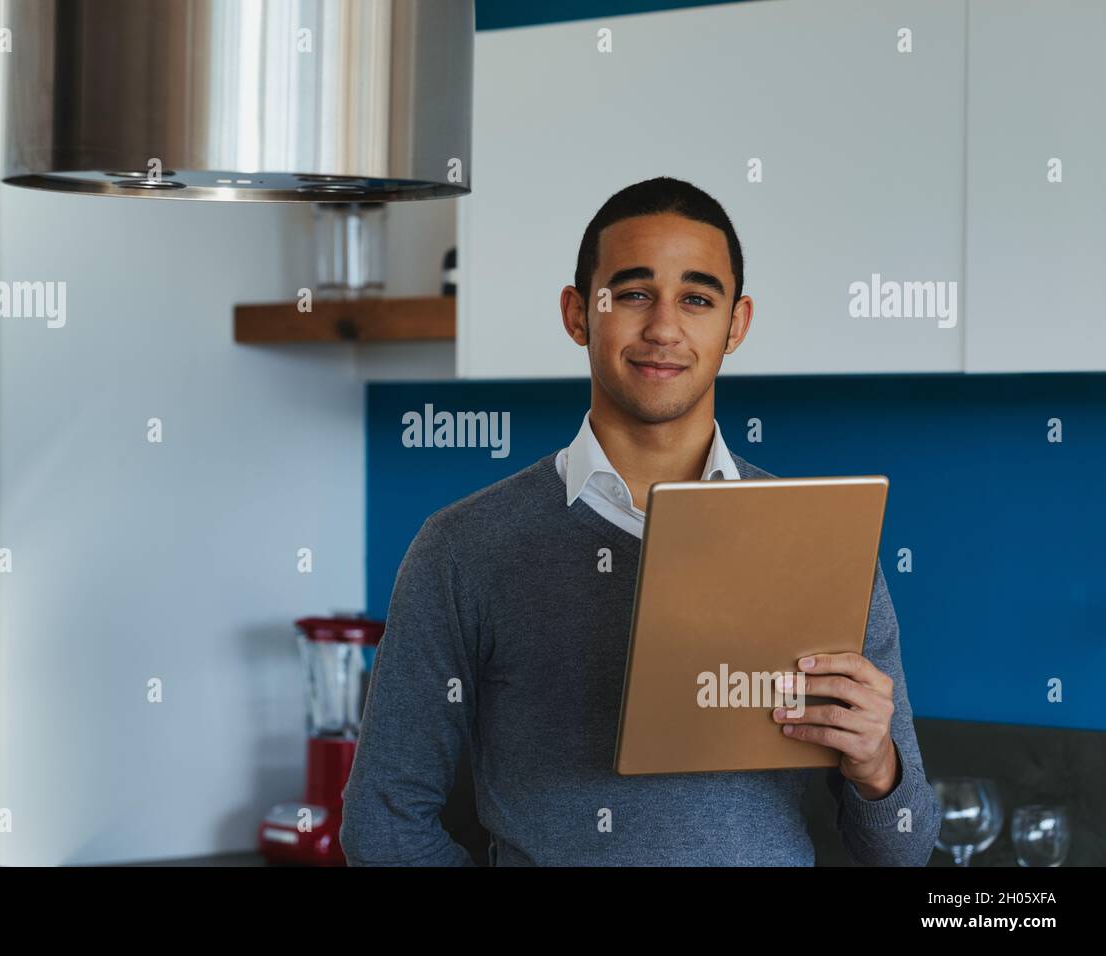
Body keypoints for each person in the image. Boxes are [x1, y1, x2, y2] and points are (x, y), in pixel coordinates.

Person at [339, 176, 942, 866]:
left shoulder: (821, 542)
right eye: (631, 294)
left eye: (696, 298)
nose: (663, 327)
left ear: (735, 324)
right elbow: (382, 827)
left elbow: (905, 853)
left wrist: (877, 768)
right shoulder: (464, 549)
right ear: (576, 314)